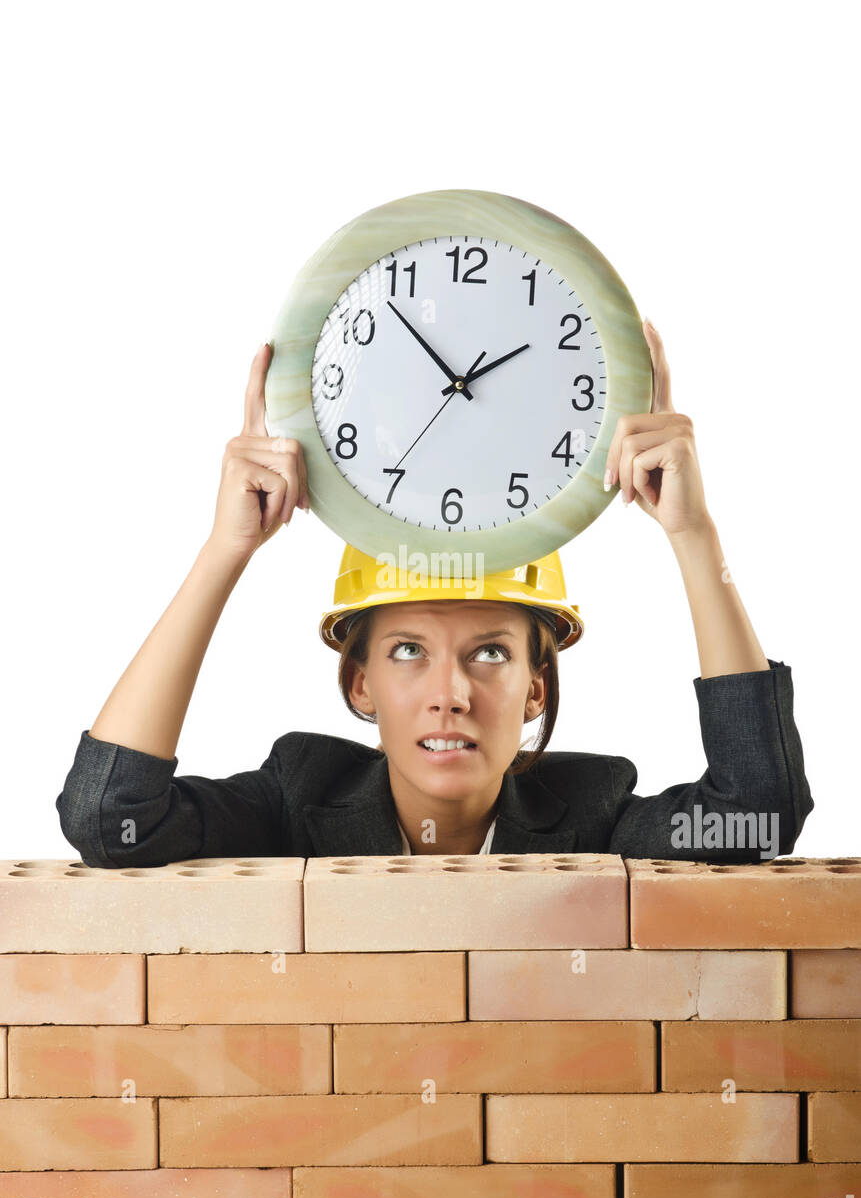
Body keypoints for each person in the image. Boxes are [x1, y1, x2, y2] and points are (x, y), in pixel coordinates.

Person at [55, 322, 813, 868]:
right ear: (361, 683)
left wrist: (693, 536)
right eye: (407, 651)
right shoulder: (299, 800)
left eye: (489, 653)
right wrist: (226, 550)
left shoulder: (590, 813)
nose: (448, 694)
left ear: (533, 689)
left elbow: (755, 818)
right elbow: (107, 817)